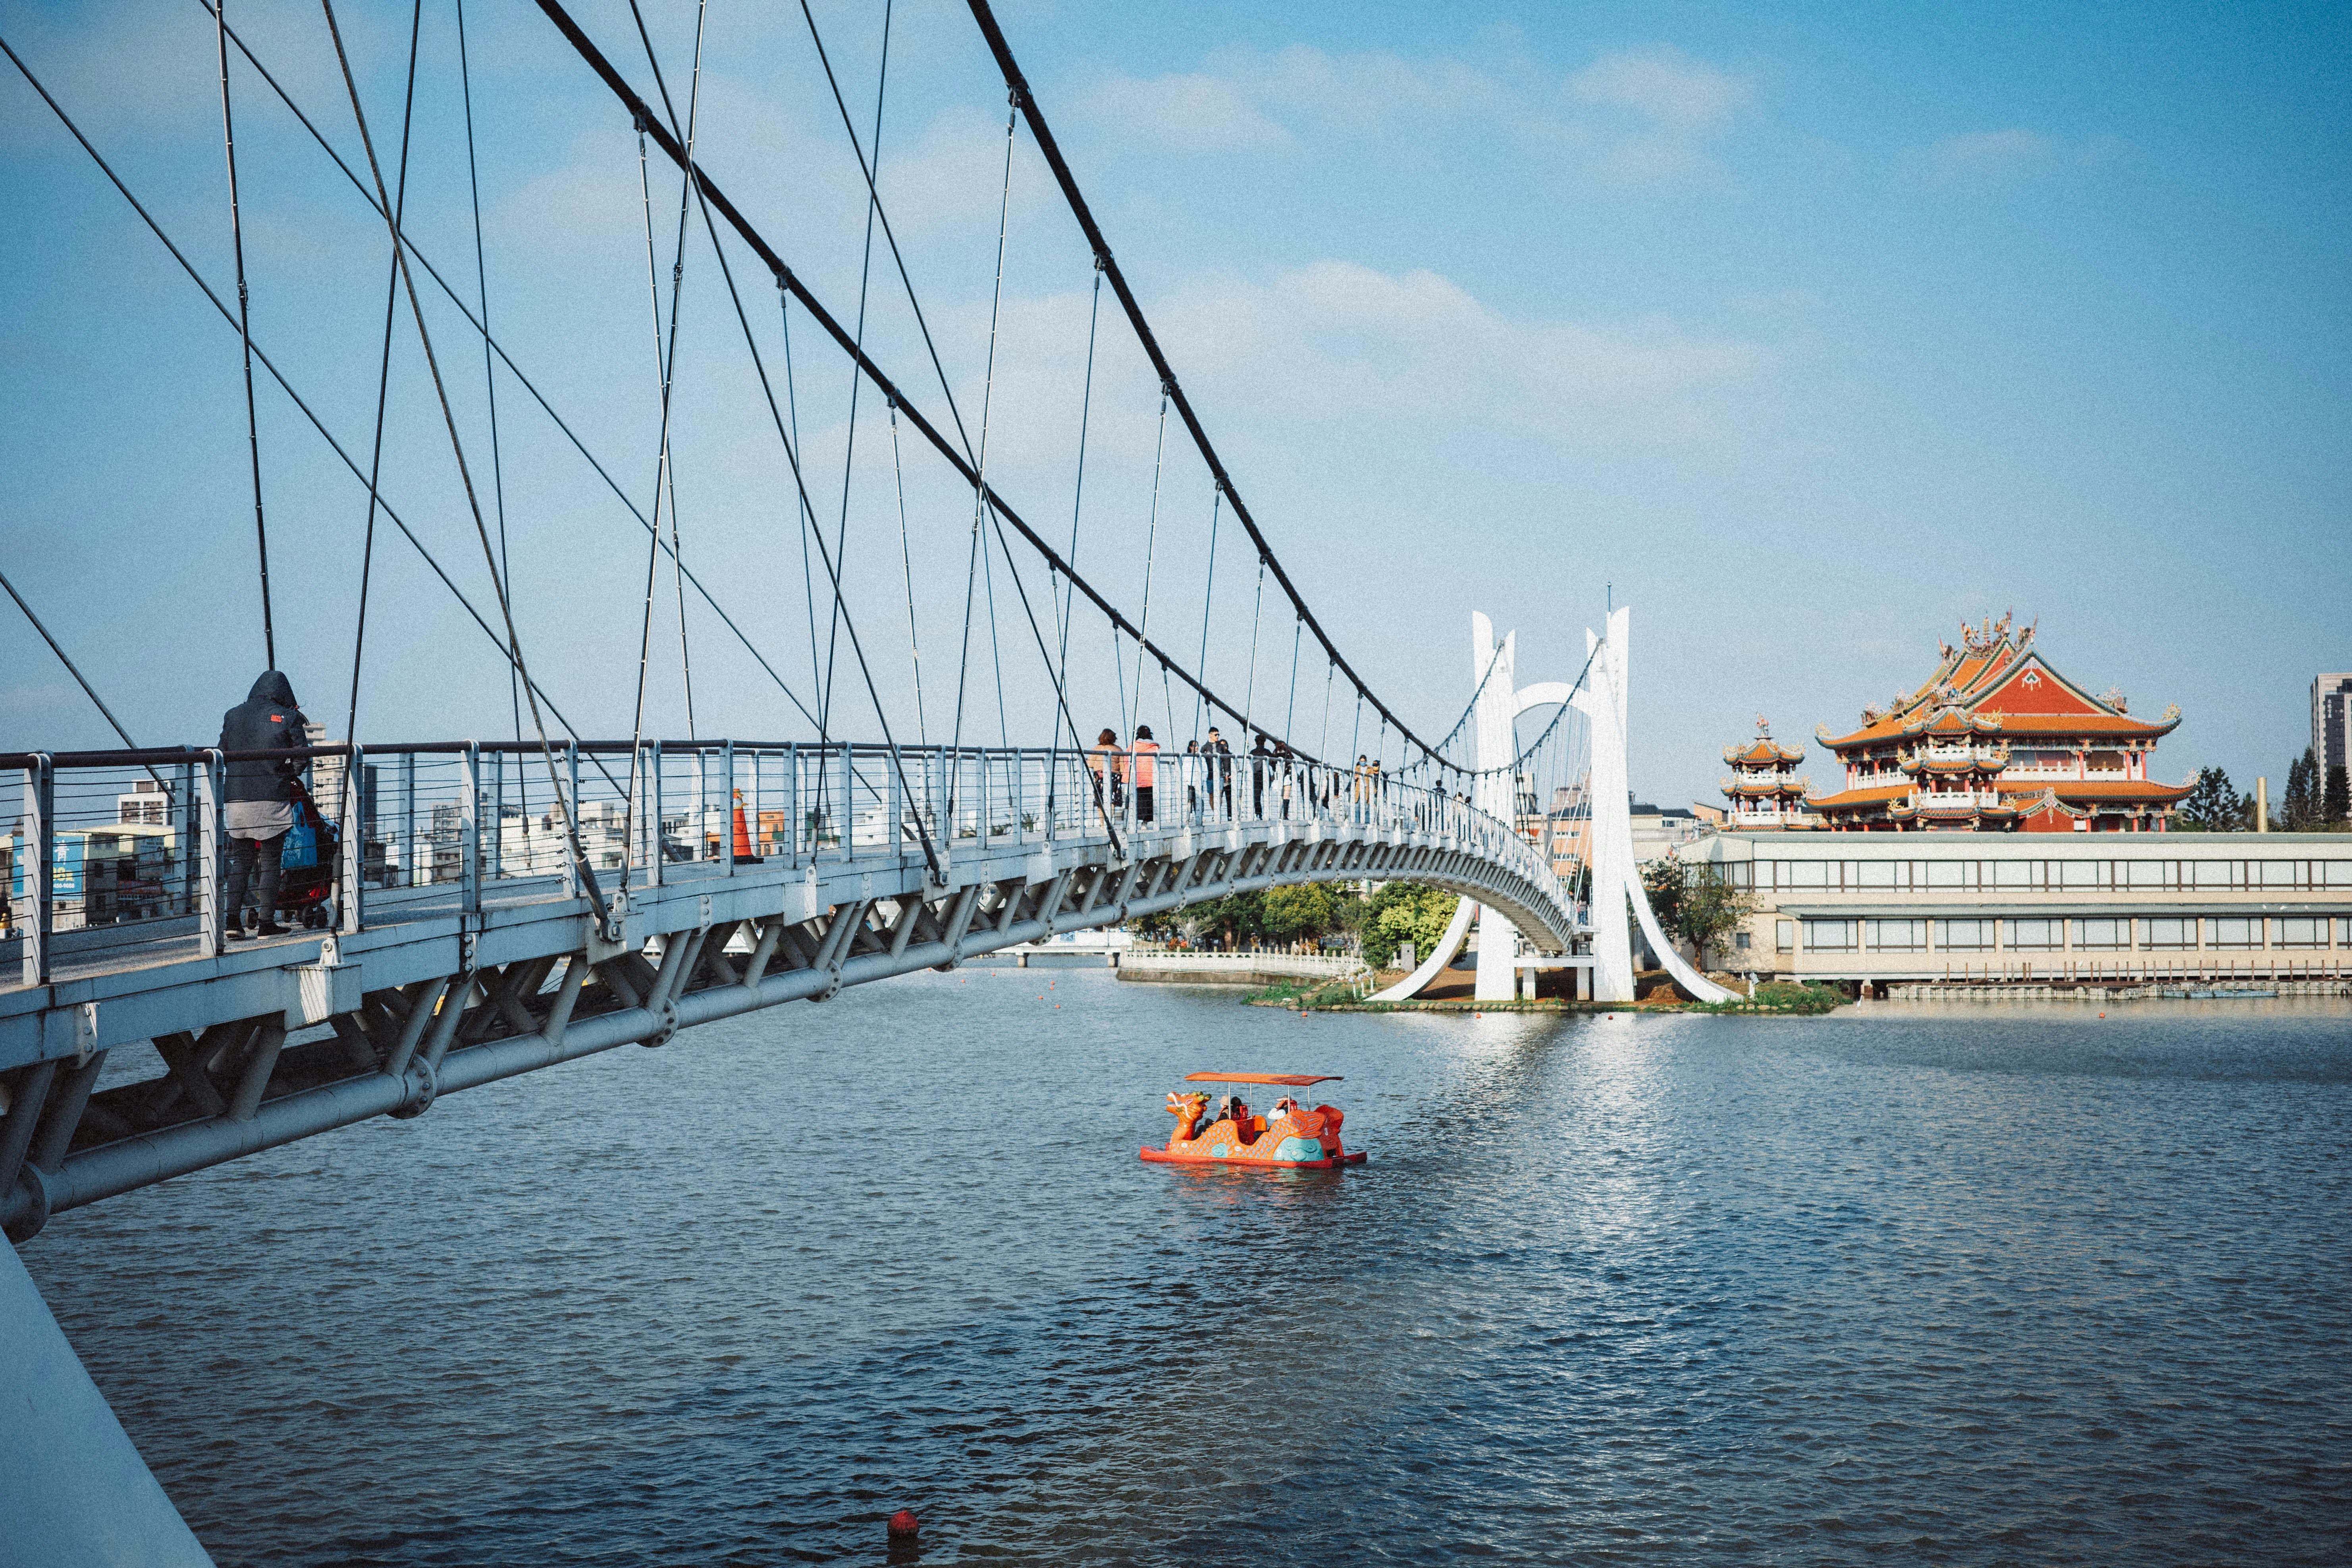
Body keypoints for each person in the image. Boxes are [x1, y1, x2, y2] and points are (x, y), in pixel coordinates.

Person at [218, 669, 310, 940]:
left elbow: (221, 751)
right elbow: (302, 757)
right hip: (271, 797)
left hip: (236, 799)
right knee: (270, 862)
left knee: (241, 862)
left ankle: (232, 923)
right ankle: (266, 924)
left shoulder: (232, 715)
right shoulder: (287, 716)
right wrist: (287, 774)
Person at [1131, 725, 1161, 824]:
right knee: (1150, 801)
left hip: (1137, 778)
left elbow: (1127, 760)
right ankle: (1146, 822)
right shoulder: (1154, 747)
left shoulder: (1133, 747)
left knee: (1138, 801)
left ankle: (1134, 821)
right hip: (1151, 778)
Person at [1205, 726, 1233, 819]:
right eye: (1216, 735)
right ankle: (1215, 813)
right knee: (1212, 795)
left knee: (1220, 794)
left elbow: (1225, 760)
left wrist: (1227, 773)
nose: (1217, 736)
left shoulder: (1221, 747)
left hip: (1220, 774)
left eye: (1218, 735)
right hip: (1210, 775)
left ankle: (1217, 813)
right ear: (1210, 735)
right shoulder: (1205, 747)